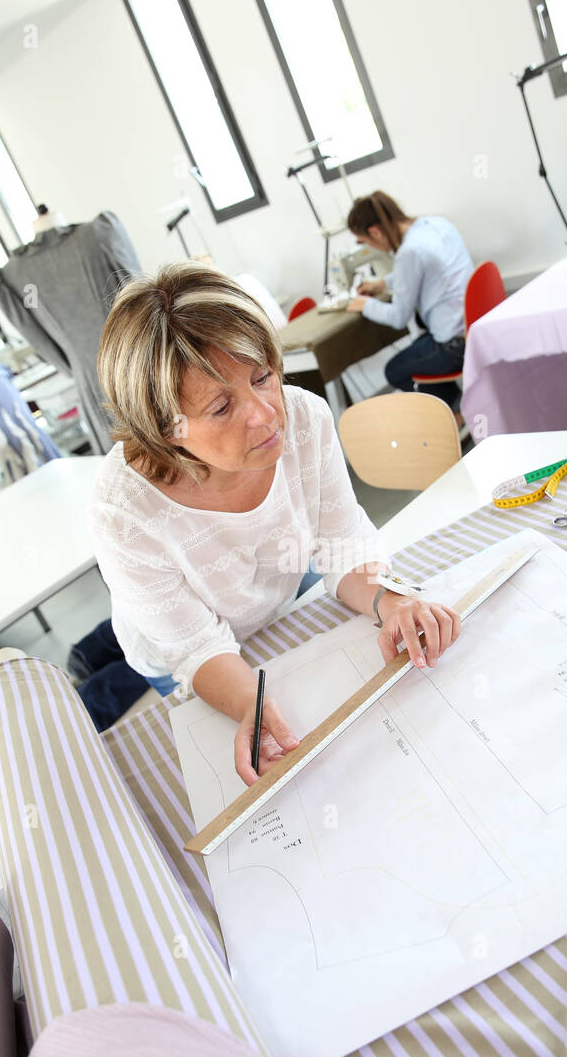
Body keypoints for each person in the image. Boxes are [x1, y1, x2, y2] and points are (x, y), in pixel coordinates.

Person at [87, 263, 462, 787]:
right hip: (180, 644)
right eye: (221, 407)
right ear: (164, 426)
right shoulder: (121, 511)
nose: (265, 414)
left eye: (263, 376)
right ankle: (94, 654)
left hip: (275, 581)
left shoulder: (304, 417)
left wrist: (392, 600)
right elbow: (198, 649)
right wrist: (249, 706)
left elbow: (341, 547)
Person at [345, 191, 473, 419]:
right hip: (471, 328)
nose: (371, 247)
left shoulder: (409, 252)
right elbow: (421, 270)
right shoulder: (435, 224)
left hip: (453, 346)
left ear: (375, 232)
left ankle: (454, 412)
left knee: (395, 370)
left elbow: (398, 317)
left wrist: (364, 304)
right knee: (419, 345)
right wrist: (383, 283)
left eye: (365, 242)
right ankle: (456, 409)